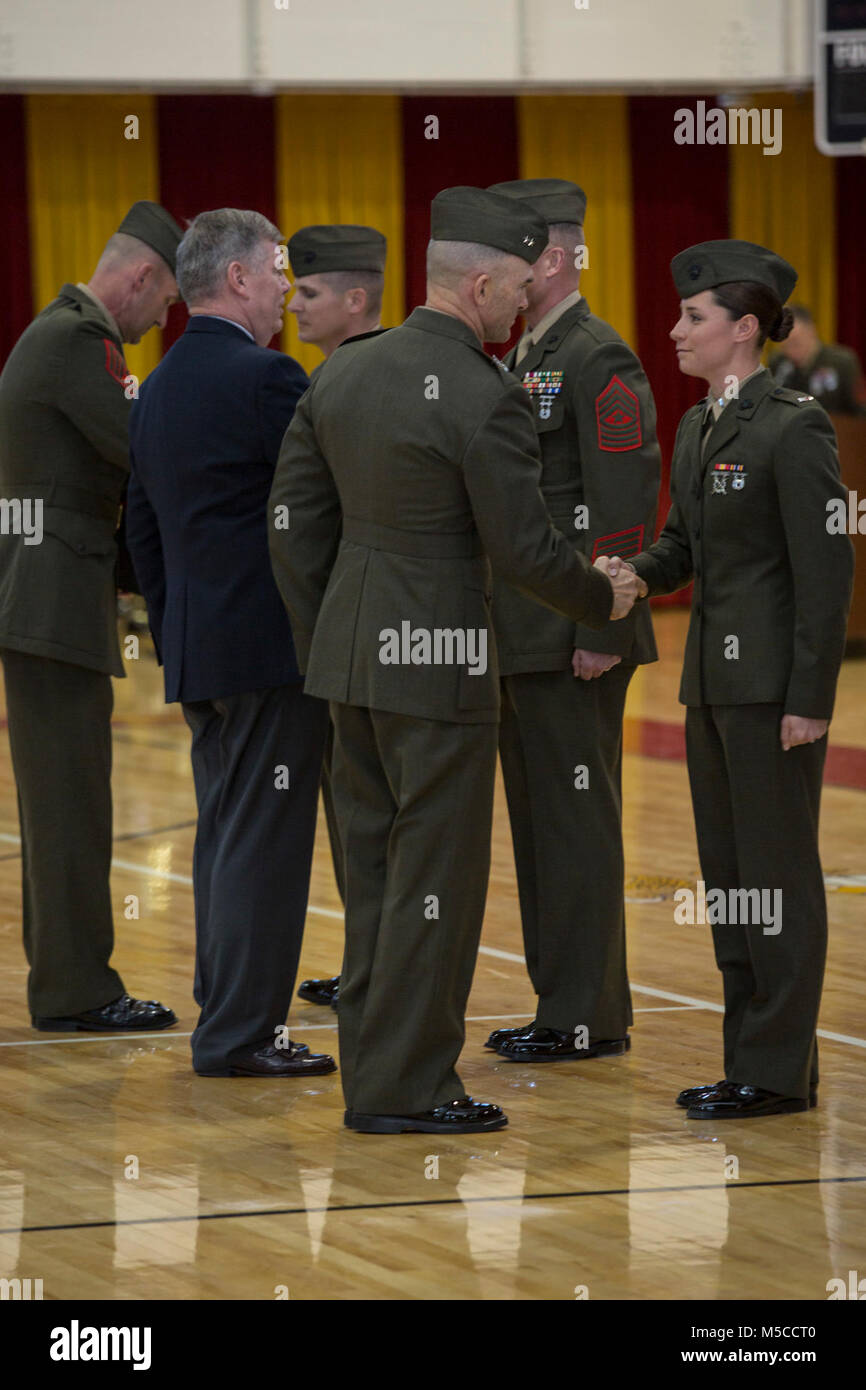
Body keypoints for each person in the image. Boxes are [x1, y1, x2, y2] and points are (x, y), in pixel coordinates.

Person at [268, 185, 646, 1135]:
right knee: (436, 882)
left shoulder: (343, 375)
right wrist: (605, 596)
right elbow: (524, 551)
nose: (525, 301)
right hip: (439, 670)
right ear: (479, 285)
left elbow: (294, 530)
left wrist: (331, 639)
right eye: (518, 285)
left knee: (376, 878)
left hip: (351, 665)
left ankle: (377, 1076)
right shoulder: (484, 394)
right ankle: (413, 1089)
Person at [624, 239, 854, 1118]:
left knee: (777, 876)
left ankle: (774, 1071)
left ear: (744, 329)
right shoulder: (698, 424)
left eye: (693, 317)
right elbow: (684, 545)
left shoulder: (795, 426)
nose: (674, 329)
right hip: (710, 690)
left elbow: (825, 572)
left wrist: (810, 700)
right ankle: (758, 1062)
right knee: (730, 876)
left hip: (769, 694)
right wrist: (634, 576)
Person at [125, 209, 335, 1079]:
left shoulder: (161, 380)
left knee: (225, 834)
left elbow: (140, 528)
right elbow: (319, 510)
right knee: (265, 845)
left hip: (201, 647)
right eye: (279, 271)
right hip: (268, 649)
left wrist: (180, 628)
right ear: (240, 279)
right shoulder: (266, 378)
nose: (288, 286)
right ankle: (242, 1034)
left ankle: (228, 1012)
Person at [481, 177, 660, 1063]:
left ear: (549, 258)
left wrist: (602, 626)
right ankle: (564, 1005)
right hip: (528, 630)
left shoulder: (595, 354)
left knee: (575, 825)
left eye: (514, 253)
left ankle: (586, 1013)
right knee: (543, 823)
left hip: (572, 635)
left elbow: (624, 506)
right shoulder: (528, 355)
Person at [0, 201, 181, 1034]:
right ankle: (76, 991)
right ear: (140, 277)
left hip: (46, 597)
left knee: (62, 803)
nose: (161, 320)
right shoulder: (80, 340)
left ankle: (71, 981)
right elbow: (146, 447)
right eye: (166, 301)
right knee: (70, 804)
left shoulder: (58, 332)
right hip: (51, 601)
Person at [286, 224, 389, 1014]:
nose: (294, 304)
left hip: (359, 638)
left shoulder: (359, 382)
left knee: (372, 816)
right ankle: (368, 963)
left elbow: (310, 530)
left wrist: (319, 630)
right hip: (350, 637)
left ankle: (378, 971)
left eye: (311, 292)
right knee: (358, 817)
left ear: (356, 298)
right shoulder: (337, 379)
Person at [770, 305, 866, 415]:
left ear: (811, 331)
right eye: (784, 346)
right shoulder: (778, 362)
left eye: (795, 342)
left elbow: (859, 409)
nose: (789, 351)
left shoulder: (842, 362)